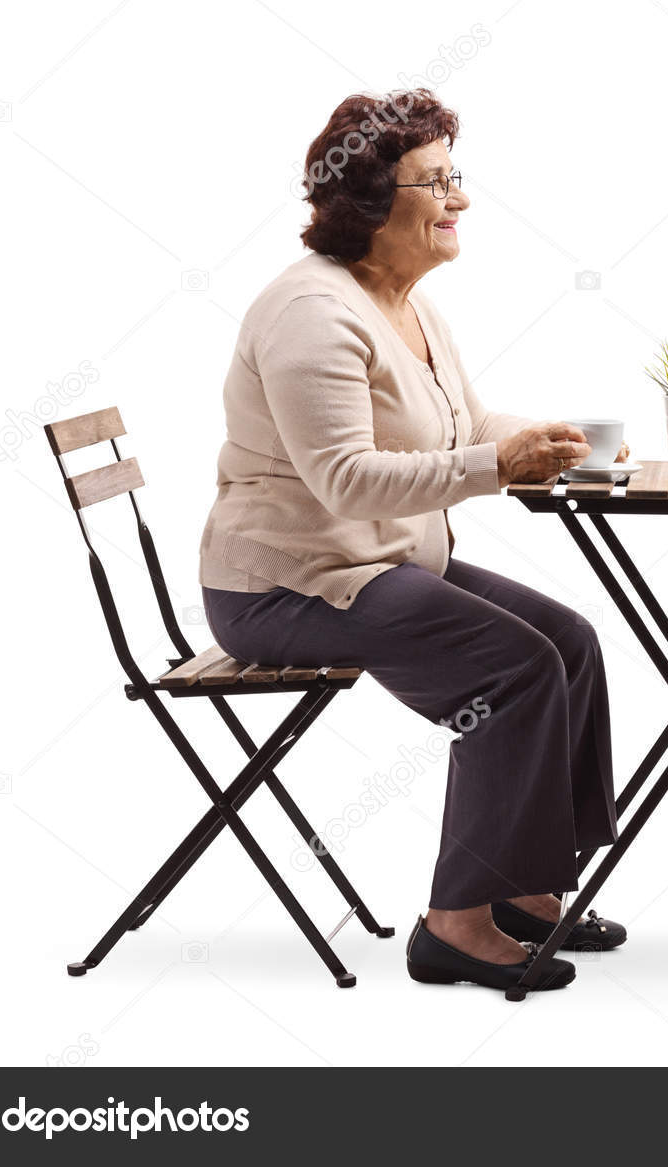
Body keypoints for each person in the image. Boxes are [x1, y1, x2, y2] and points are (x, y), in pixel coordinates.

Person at [198, 89, 629, 995]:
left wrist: (555, 441)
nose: (459, 200)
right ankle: (455, 923)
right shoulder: (313, 314)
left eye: (453, 176)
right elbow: (345, 479)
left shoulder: (408, 303)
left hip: (379, 564)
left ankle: (529, 890)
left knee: (569, 642)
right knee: (512, 666)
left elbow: (465, 424)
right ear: (367, 202)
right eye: (436, 182)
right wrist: (496, 464)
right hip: (287, 588)